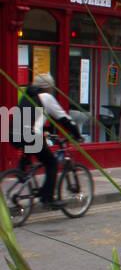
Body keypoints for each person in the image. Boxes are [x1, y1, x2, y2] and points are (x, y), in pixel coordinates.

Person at [14, 73, 81, 208]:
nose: (52, 90)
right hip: (31, 136)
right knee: (52, 163)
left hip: (15, 133)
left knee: (31, 156)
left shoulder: (27, 95)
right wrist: (77, 133)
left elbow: (31, 117)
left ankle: (20, 173)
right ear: (47, 87)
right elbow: (63, 118)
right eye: (51, 87)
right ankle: (48, 198)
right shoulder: (46, 97)